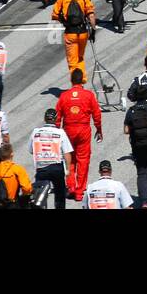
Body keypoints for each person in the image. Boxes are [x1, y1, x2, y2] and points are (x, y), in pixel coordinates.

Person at [56, 69, 103, 201]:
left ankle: (70, 186)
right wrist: (99, 130)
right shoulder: (88, 95)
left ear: (71, 80)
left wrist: (57, 133)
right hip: (83, 130)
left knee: (69, 158)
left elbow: (57, 117)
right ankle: (79, 191)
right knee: (83, 160)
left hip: (68, 131)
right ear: (82, 80)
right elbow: (97, 114)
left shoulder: (64, 96)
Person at [52, 0, 97, 80]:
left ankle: (77, 83)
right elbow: (91, 15)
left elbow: (55, 15)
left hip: (70, 33)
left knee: (72, 61)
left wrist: (64, 21)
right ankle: (83, 78)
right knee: (80, 57)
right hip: (83, 33)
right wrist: (93, 31)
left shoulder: (62, 0)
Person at [28, 108, 74, 210]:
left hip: (41, 168)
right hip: (56, 167)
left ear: (45, 118)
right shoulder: (60, 132)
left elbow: (31, 150)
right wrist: (67, 171)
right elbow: (67, 153)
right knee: (60, 193)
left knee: (39, 195)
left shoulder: (35, 132)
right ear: (56, 119)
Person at [0, 143, 32, 209]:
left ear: (0, 155)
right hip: (12, 203)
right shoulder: (18, 169)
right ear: (12, 154)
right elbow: (26, 188)